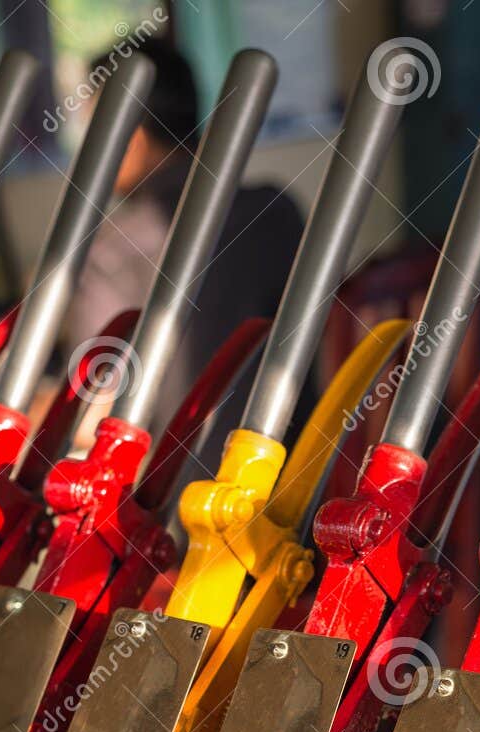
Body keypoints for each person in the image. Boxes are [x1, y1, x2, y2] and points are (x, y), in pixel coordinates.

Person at [65, 35, 305, 442]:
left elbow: (92, 420)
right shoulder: (277, 209)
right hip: (297, 468)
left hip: (182, 480)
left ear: (132, 138)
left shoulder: (110, 251)